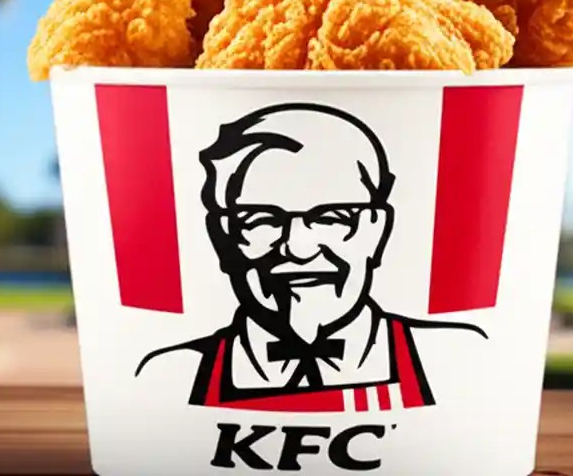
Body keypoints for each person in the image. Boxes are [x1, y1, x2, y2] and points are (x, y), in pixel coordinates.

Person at [136, 103, 484, 413]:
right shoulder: (171, 374)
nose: (299, 249)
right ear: (222, 238)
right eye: (261, 220)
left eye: (332, 217)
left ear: (377, 231)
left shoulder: (454, 355)